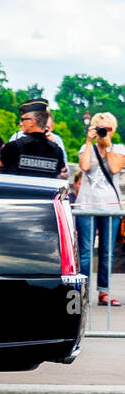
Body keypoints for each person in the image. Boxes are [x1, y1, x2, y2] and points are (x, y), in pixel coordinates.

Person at [75, 112, 124, 307]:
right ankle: (84, 291)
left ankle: (104, 292)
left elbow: (114, 168)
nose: (104, 132)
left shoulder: (119, 149)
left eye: (108, 129)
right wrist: (89, 142)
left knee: (107, 251)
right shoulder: (86, 148)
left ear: (113, 130)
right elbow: (84, 166)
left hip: (110, 205)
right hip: (86, 203)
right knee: (86, 251)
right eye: (101, 129)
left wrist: (108, 144)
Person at [0, 103, 66, 180]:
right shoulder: (57, 151)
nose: (20, 124)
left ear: (32, 122)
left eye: (23, 120)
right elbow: (62, 171)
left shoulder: (12, 147)